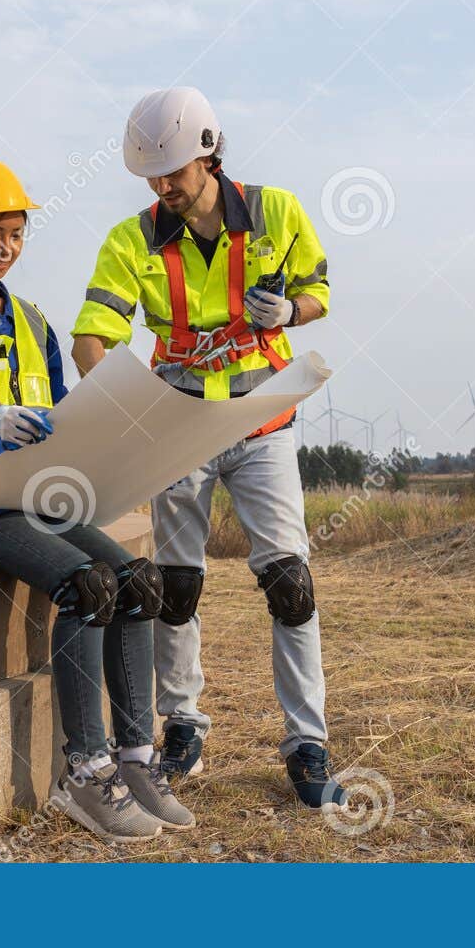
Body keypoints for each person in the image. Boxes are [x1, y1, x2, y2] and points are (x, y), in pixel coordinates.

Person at [0, 154, 195, 841]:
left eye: (16, 235)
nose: (6, 249)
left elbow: (60, 416)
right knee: (86, 585)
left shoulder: (32, 322)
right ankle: (84, 772)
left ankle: (137, 759)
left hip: (17, 496)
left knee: (135, 581)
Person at [70, 88, 343, 808]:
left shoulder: (277, 212)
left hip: (261, 427)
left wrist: (289, 310)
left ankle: (307, 744)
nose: (165, 189)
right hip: (179, 428)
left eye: (176, 174)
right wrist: (115, 402)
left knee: (291, 583)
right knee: (176, 588)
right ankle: (182, 727)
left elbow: (318, 290)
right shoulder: (133, 239)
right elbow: (92, 336)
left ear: (209, 153)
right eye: (152, 178)